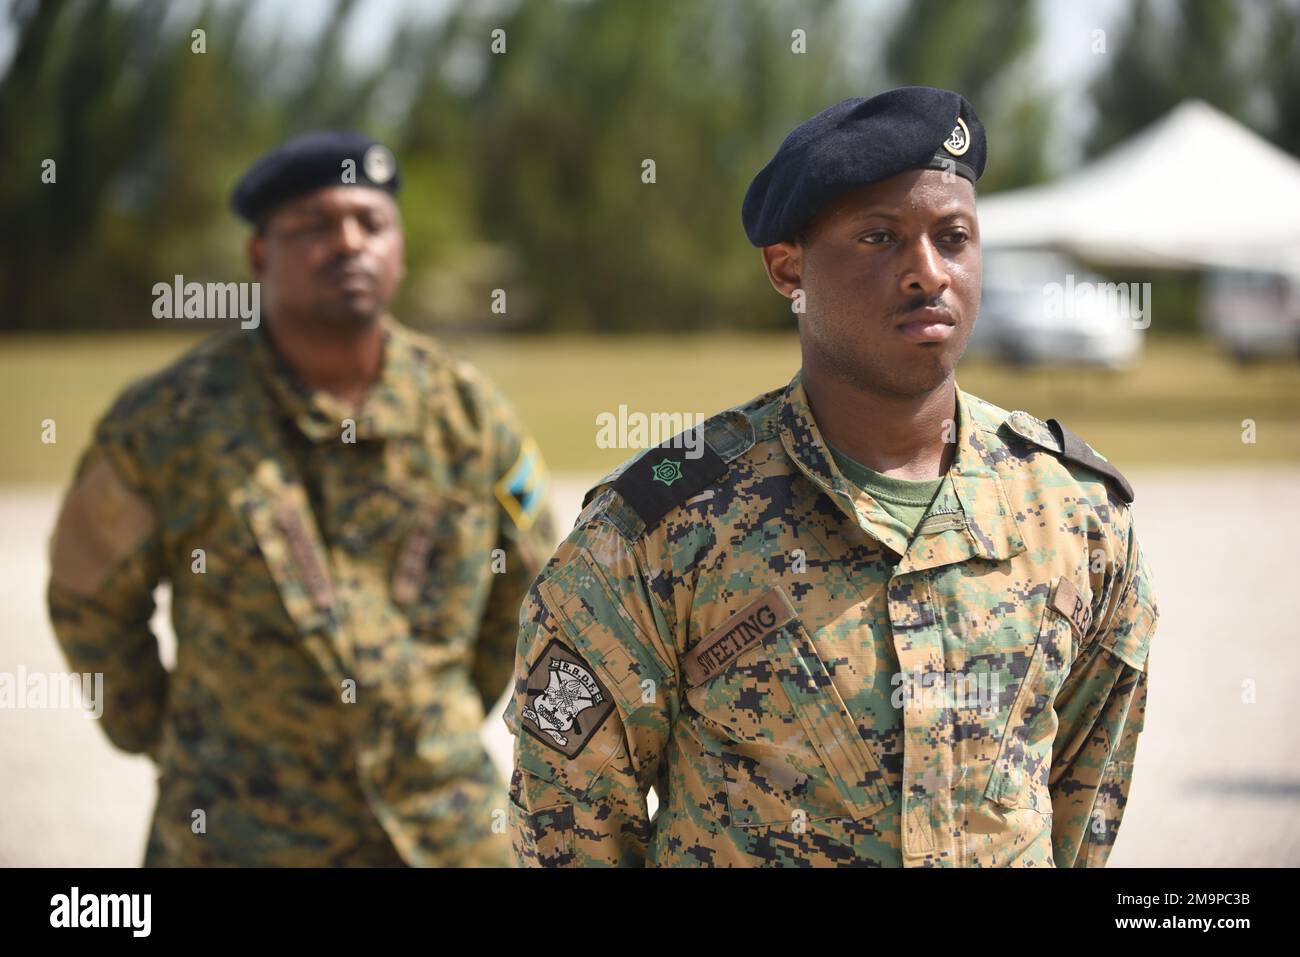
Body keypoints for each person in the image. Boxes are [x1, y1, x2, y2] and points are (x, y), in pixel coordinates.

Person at [505, 87, 1159, 867]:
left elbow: (1083, 799)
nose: (928, 273)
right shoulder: (662, 522)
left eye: (953, 236)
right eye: (879, 238)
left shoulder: (1074, 512)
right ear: (788, 268)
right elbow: (570, 822)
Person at [47, 131, 555, 866]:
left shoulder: (469, 414)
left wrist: (430, 717)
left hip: (439, 828)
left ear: (399, 247)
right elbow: (88, 595)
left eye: (370, 222)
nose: (348, 242)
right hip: (237, 832)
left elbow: (531, 584)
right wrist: (165, 731)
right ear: (259, 256)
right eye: (314, 226)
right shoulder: (169, 420)